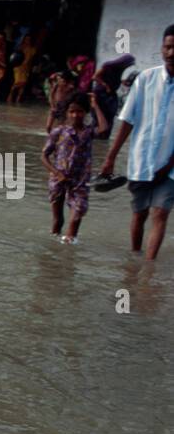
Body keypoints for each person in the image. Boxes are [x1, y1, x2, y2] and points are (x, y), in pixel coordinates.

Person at [99, 25, 174, 260]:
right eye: (168, 47)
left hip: (171, 168)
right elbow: (128, 121)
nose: (171, 53)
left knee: (160, 213)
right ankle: (134, 260)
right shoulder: (146, 79)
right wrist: (110, 157)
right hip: (141, 161)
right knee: (139, 214)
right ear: (162, 48)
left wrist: (168, 165)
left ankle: (147, 270)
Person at [42, 92, 107, 244]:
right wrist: (56, 173)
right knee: (58, 219)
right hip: (58, 180)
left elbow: (104, 129)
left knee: (77, 215)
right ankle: (54, 248)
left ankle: (68, 246)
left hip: (80, 181)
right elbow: (44, 156)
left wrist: (95, 105)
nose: (76, 115)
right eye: (72, 111)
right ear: (66, 112)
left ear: (86, 112)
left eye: (80, 111)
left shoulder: (88, 132)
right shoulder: (59, 132)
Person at [8, 36, 37, 103]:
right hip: (18, 67)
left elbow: (32, 59)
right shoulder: (20, 48)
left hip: (26, 68)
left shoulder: (32, 49)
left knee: (24, 83)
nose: (27, 41)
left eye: (29, 39)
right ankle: (10, 95)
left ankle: (18, 99)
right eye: (26, 39)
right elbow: (14, 57)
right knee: (17, 82)